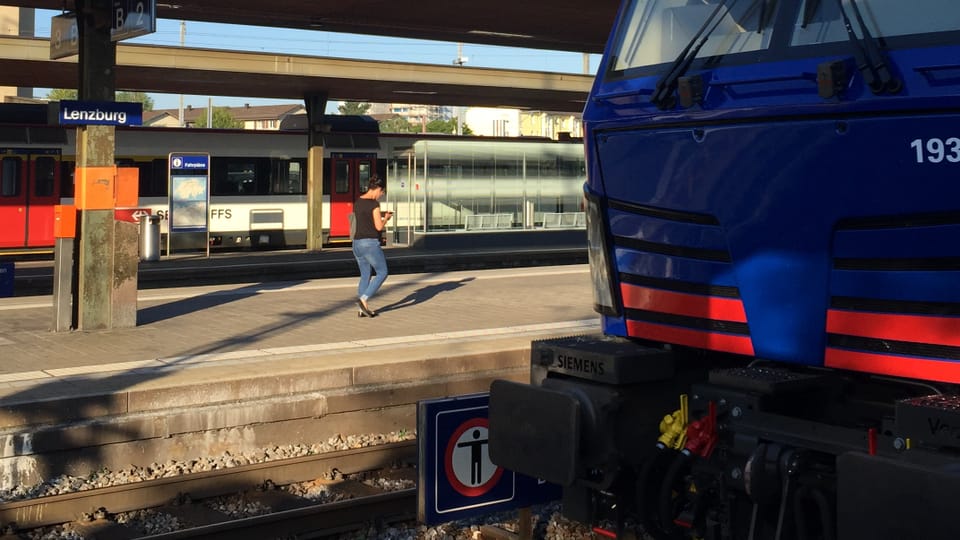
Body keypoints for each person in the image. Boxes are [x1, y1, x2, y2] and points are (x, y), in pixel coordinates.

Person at [352, 175, 392, 317]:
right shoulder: (374, 204)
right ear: (378, 189)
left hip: (357, 243)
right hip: (370, 244)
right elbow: (378, 226)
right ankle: (363, 299)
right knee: (382, 272)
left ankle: (362, 309)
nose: (381, 196)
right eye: (382, 193)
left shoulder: (358, 202)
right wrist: (386, 218)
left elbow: (363, 221)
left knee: (365, 275)